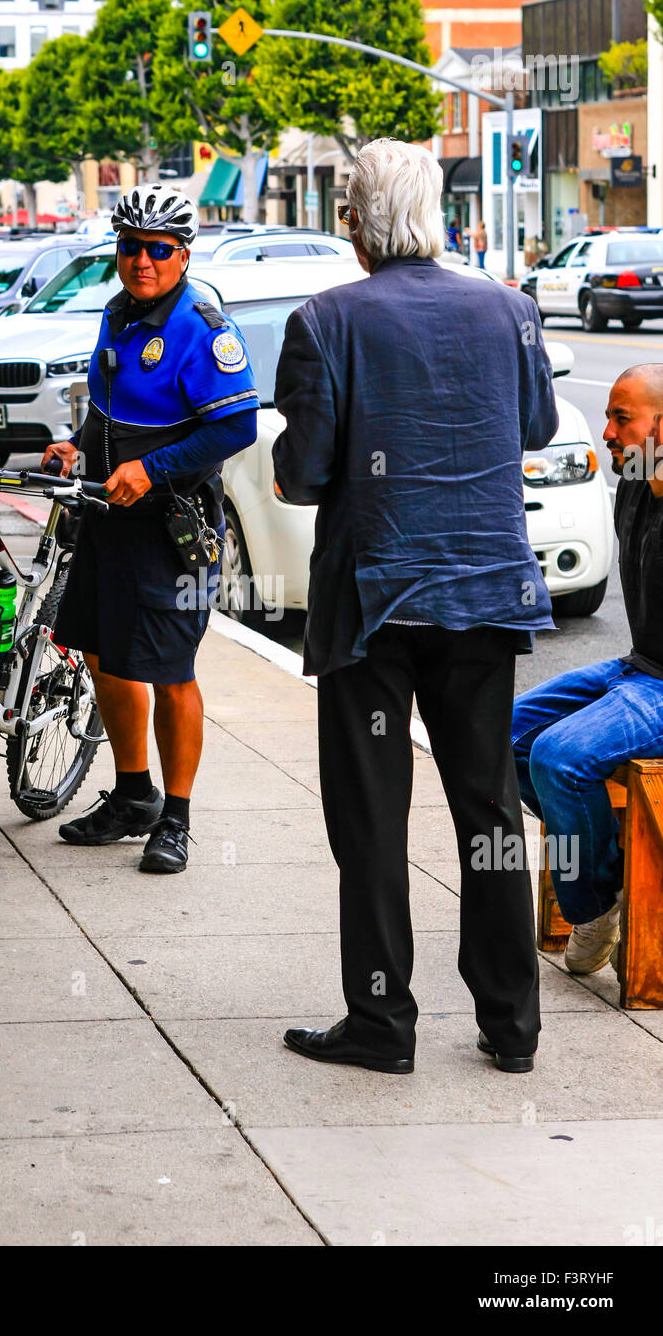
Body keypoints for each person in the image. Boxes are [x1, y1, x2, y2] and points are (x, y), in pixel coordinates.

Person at [272, 138, 558, 1075]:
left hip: (375, 604)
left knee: (373, 822)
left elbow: (304, 477)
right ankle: (512, 1027)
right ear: (436, 214)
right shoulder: (510, 309)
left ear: (355, 223)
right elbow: (535, 426)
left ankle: (383, 1025)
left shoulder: (326, 320)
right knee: (490, 814)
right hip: (485, 594)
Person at [41, 184, 259, 873]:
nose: (142, 261)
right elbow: (109, 410)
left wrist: (154, 469)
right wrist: (76, 444)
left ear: (183, 254)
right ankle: (132, 796)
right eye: (130, 247)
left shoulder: (202, 325)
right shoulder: (118, 313)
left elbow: (236, 425)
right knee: (103, 655)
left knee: (169, 671)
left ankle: (176, 818)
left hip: (173, 529)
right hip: (106, 518)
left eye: (158, 249)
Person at [512, 365, 663, 974]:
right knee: (504, 736)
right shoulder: (630, 481)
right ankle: (609, 863)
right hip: (640, 667)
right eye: (608, 416)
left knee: (559, 758)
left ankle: (595, 906)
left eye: (622, 419)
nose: (607, 432)